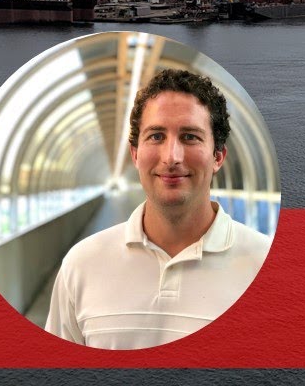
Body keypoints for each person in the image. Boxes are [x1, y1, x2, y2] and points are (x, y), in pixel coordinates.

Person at [45, 69, 271, 349]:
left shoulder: (265, 265)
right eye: (156, 136)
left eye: (190, 137)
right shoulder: (80, 266)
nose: (171, 157)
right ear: (135, 154)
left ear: (218, 157)